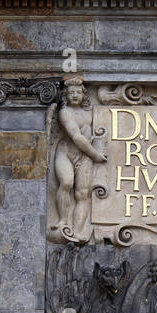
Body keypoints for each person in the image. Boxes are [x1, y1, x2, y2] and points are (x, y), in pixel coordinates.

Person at [50, 75, 107, 241]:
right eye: (71, 93)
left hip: (84, 157)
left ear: (84, 95)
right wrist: (95, 154)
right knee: (66, 183)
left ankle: (78, 231)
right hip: (66, 153)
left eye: (78, 92)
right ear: (65, 96)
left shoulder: (90, 113)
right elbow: (76, 136)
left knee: (82, 194)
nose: (74, 95)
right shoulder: (64, 112)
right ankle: (63, 221)